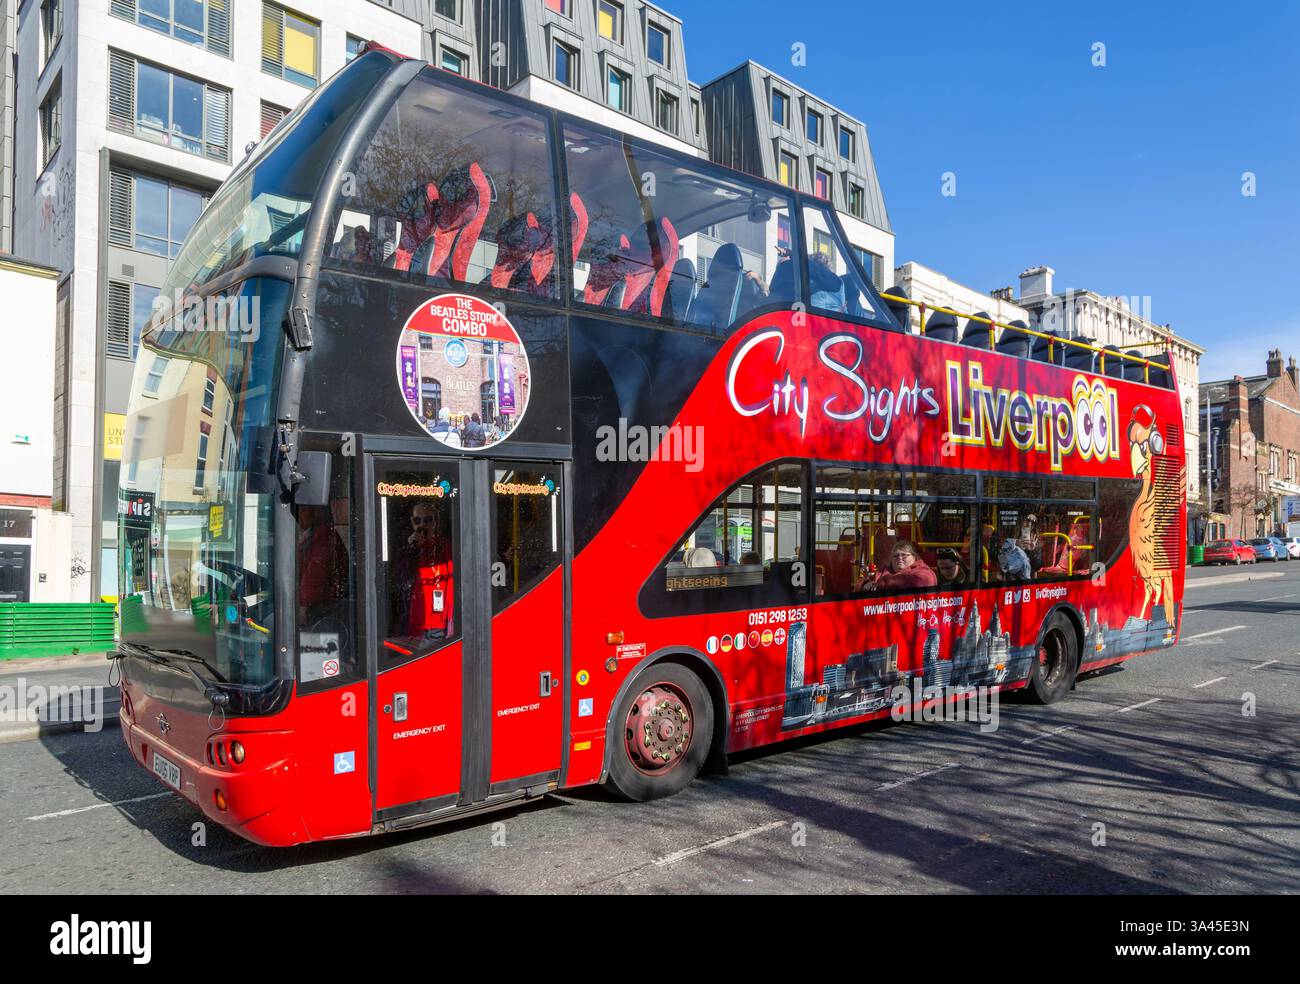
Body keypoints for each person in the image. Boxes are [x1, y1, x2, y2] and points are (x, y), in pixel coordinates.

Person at [394, 500, 455, 643]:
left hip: (439, 621)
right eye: (417, 520)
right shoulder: (408, 550)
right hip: (415, 620)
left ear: (435, 522)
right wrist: (412, 550)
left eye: (427, 520)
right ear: (412, 522)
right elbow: (401, 581)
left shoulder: (445, 546)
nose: (422, 525)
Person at [297, 504, 349, 622]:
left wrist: (301, 606)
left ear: (317, 512)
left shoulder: (324, 536)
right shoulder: (310, 537)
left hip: (321, 608)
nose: (299, 515)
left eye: (304, 510)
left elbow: (312, 584)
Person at [857, 541, 937, 591]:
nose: (899, 558)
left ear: (914, 557)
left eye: (904, 555)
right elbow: (859, 585)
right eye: (895, 556)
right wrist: (865, 585)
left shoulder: (924, 571)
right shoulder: (884, 571)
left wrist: (879, 585)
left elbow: (919, 582)